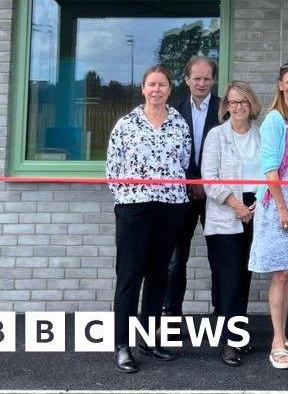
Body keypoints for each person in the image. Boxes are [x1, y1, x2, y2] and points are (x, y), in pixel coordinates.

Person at [106, 65, 191, 374]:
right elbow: (113, 168)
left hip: (169, 207)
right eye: (151, 84)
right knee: (130, 276)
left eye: (162, 85)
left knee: (158, 276)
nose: (156, 90)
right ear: (143, 89)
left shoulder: (179, 124)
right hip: (134, 208)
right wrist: (128, 198)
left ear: (170, 89)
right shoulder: (126, 124)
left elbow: (183, 162)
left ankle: (149, 340)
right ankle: (122, 344)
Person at [247, 61, 288, 369]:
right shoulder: (275, 120)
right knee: (280, 273)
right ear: (280, 85)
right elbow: (270, 169)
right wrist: (283, 208)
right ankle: (276, 342)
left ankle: (284, 336)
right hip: (278, 206)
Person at [201, 81, 262, 367]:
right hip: (226, 213)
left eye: (243, 102)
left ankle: (238, 335)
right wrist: (236, 205)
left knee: (244, 277)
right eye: (233, 102)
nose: (238, 107)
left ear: (251, 105)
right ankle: (226, 341)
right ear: (226, 106)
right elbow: (209, 178)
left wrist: (259, 201)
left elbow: (269, 172)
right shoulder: (216, 136)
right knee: (229, 278)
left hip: (255, 209)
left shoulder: (260, 135)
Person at [164, 56, 222, 318]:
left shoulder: (224, 109)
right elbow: (170, 155)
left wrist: (207, 183)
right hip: (182, 195)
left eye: (207, 78)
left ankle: (222, 318)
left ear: (213, 80)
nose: (201, 83)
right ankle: (171, 317)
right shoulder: (173, 112)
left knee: (219, 259)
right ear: (186, 80)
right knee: (176, 261)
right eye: (196, 78)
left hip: (216, 195)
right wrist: (192, 180)